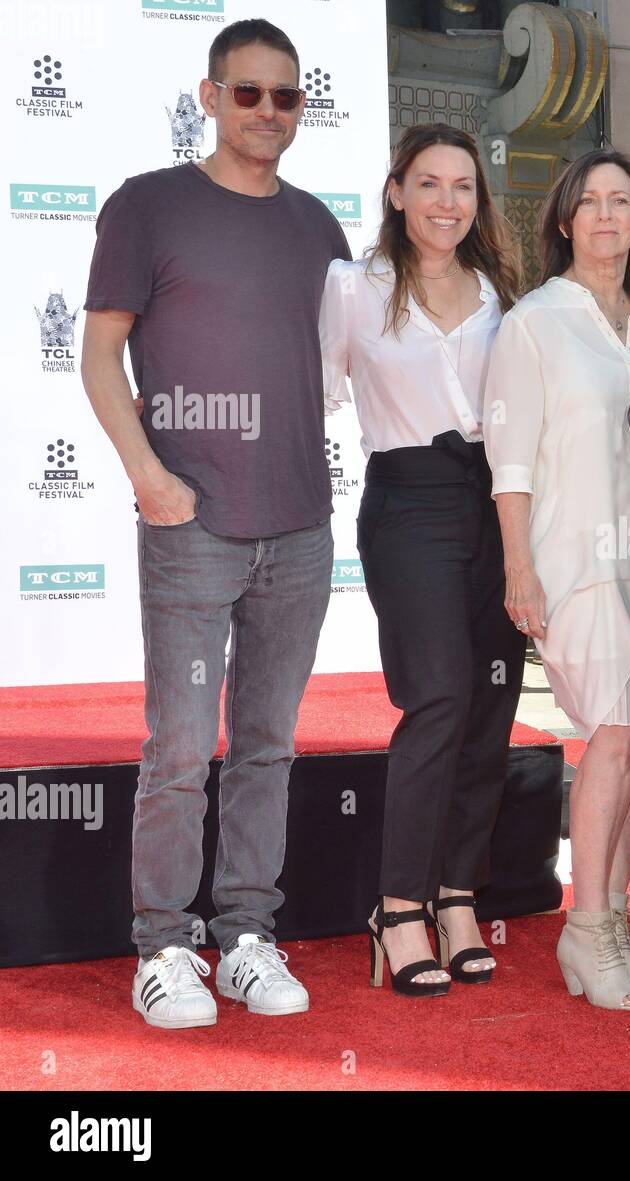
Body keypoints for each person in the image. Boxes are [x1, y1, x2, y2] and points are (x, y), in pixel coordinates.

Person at [81, 19, 349, 1028]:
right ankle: (163, 944)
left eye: (287, 97)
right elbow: (100, 355)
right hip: (190, 522)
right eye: (249, 94)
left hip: (302, 528)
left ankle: (244, 934)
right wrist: (148, 472)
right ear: (209, 96)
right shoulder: (149, 207)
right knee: (183, 745)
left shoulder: (320, 225)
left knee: (267, 745)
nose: (270, 112)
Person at [318, 124, 526, 996]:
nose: (448, 202)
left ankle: (456, 897)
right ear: (395, 191)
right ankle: (397, 906)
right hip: (409, 503)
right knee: (438, 694)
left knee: (490, 700)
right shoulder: (353, 287)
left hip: (500, 502)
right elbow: (316, 389)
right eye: (429, 183)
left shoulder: (500, 294)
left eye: (464, 187)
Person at [484, 149, 630, 1011]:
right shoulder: (533, 322)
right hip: (579, 562)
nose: (605, 216)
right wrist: (519, 565)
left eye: (621, 202)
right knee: (613, 730)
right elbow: (510, 462)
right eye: (589, 202)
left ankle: (610, 916)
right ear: (564, 219)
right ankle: (584, 921)